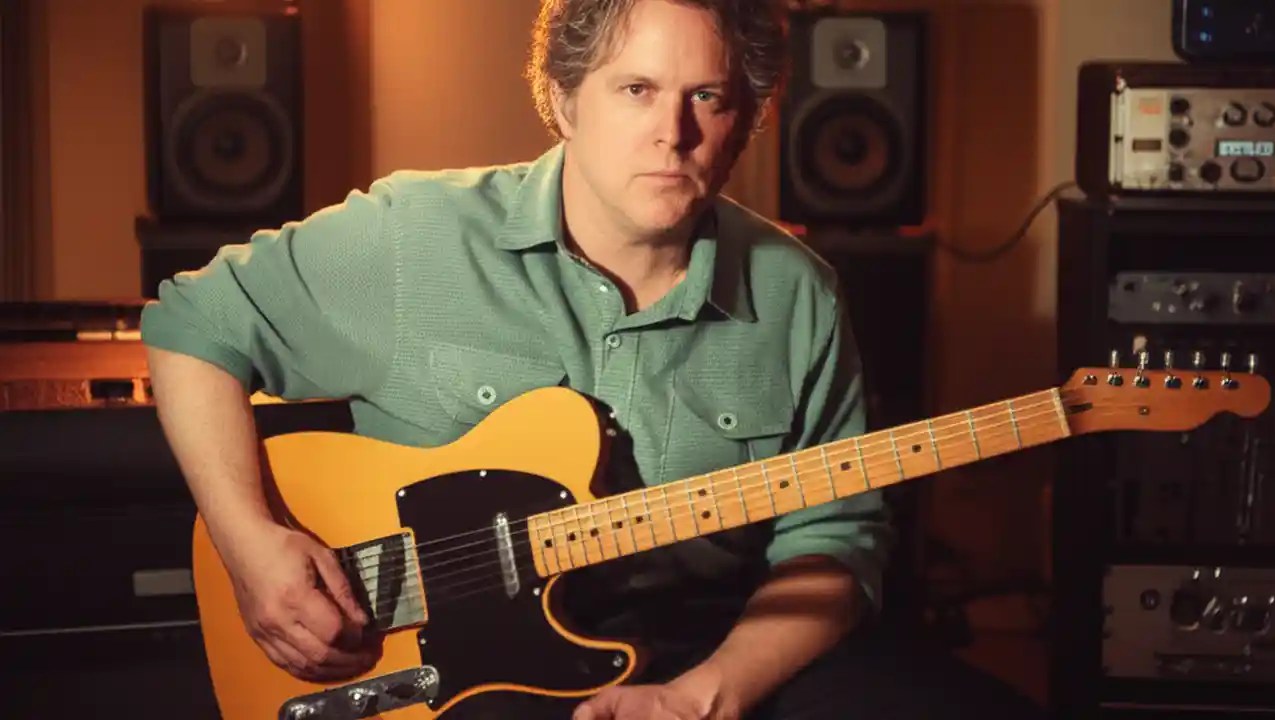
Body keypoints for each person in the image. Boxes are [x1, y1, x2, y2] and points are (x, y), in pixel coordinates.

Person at [140, 0, 1046, 718]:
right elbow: (190, 324)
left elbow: (834, 543)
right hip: (448, 661)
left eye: (709, 97)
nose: (674, 132)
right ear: (565, 98)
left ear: (747, 121)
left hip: (714, 641)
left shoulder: (798, 293)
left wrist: (706, 695)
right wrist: (250, 540)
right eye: (636, 89)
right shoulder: (415, 235)